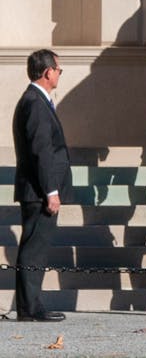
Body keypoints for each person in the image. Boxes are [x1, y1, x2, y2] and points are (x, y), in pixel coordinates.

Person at [13, 49, 73, 321]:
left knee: (36, 248)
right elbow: (42, 151)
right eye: (58, 70)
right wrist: (51, 191)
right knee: (34, 249)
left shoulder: (36, 100)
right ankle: (30, 308)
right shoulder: (35, 103)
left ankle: (31, 305)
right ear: (48, 72)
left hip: (37, 189)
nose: (59, 74)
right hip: (39, 191)